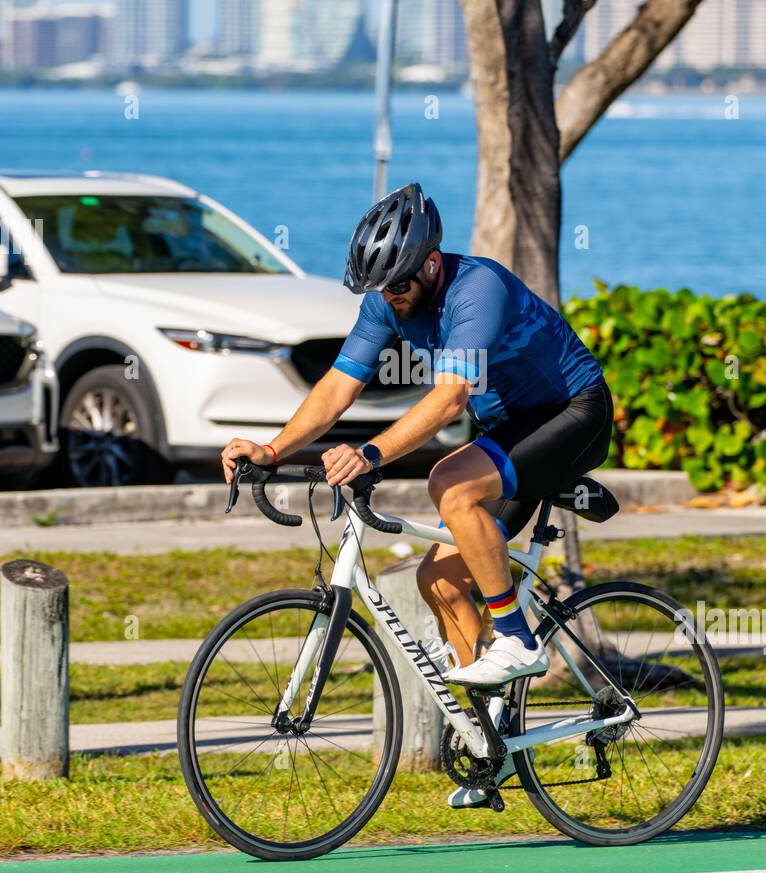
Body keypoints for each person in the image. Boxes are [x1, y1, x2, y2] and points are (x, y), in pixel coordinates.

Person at [221, 182, 613, 805]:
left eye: (398, 284)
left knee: (448, 485)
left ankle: (516, 640)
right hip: (511, 427)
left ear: (430, 264)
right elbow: (336, 386)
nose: (389, 298)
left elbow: (451, 397)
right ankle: (495, 747)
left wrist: (371, 452)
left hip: (573, 413)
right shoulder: (387, 300)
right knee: (441, 579)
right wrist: (272, 449)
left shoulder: (476, 289)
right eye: (380, 289)